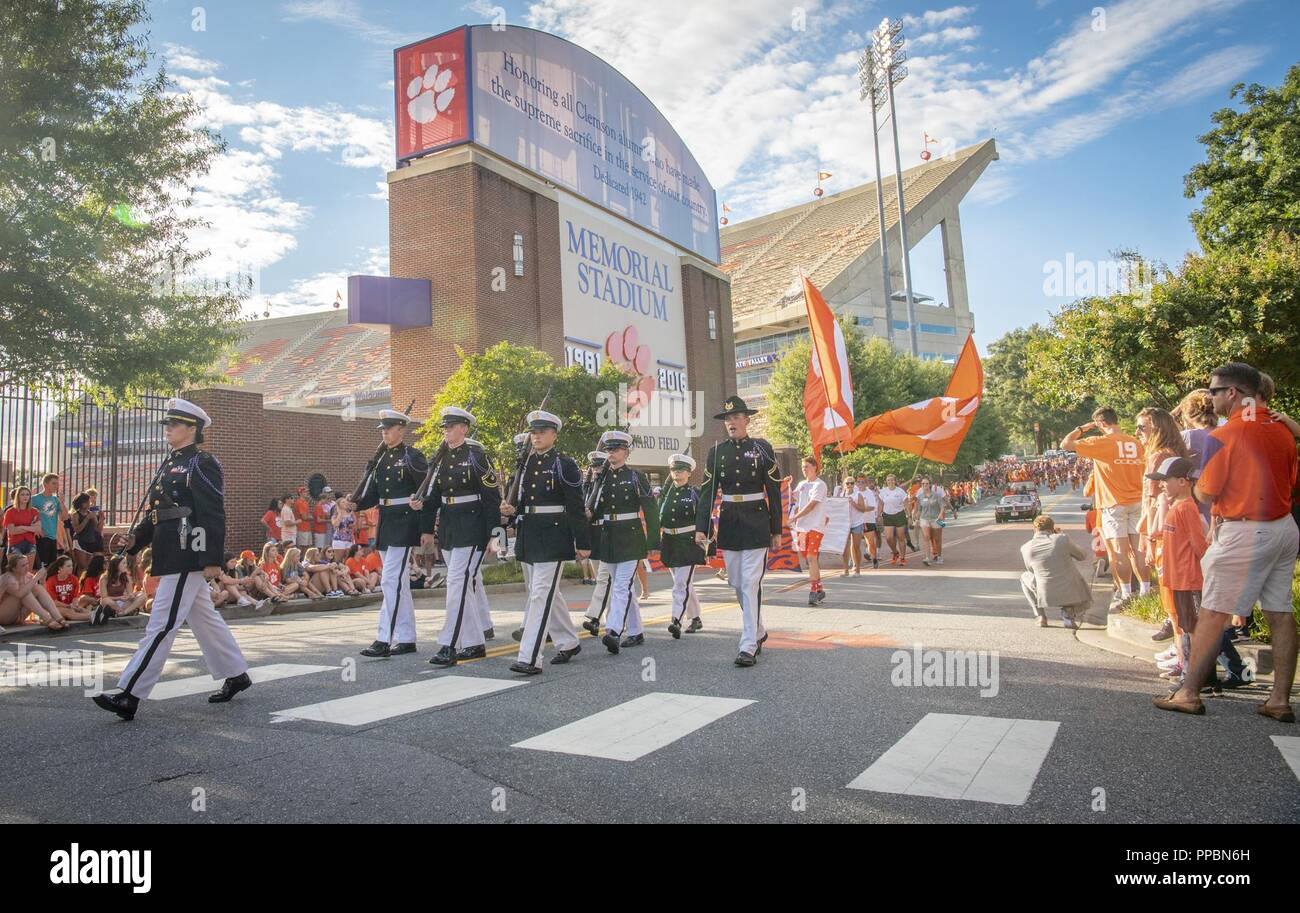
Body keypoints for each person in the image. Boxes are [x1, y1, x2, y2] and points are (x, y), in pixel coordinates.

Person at [92, 398, 251, 721]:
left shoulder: (202, 463)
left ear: (192, 429)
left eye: (174, 424)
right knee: (204, 617)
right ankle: (235, 673)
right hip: (169, 548)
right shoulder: (170, 463)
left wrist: (211, 559)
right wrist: (135, 540)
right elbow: (157, 514)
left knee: (161, 624)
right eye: (167, 423)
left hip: (188, 551)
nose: (168, 429)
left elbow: (212, 514)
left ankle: (130, 693)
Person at [1156, 363, 1299, 721]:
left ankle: (1188, 692)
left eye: (1215, 391)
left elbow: (1206, 492)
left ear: (1232, 393)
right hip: (1283, 527)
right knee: (1280, 612)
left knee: (1212, 613)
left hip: (1244, 531)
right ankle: (1279, 700)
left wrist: (1198, 480)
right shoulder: (1282, 429)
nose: (1211, 397)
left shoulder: (1227, 435)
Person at [337, 408, 434, 658]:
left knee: (390, 579)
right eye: (383, 430)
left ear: (401, 430)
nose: (385, 433)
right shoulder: (381, 459)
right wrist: (355, 503)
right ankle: (407, 637)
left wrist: (425, 528)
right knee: (398, 583)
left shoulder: (413, 456)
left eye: (389, 429)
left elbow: (426, 494)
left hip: (405, 522)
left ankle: (384, 637)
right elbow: (374, 495)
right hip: (386, 522)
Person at [500, 409, 590, 674]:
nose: (536, 436)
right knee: (547, 593)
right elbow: (521, 502)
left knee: (540, 594)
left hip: (553, 535)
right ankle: (569, 641)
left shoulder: (565, 464)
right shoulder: (525, 464)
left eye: (542, 432)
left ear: (554, 435)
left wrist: (582, 542)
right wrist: (511, 510)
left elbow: (575, 506)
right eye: (533, 432)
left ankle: (529, 657)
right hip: (530, 533)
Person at [695, 396, 782, 667]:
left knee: (750, 581)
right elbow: (708, 492)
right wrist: (702, 528)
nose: (731, 422)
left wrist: (776, 528)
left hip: (757, 520)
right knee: (736, 582)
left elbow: (774, 490)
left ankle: (748, 645)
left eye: (736, 417)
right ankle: (758, 629)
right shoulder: (717, 452)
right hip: (730, 520)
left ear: (747, 420)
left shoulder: (762, 448)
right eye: (727, 419)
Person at [414, 406, 500, 667]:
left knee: (456, 585)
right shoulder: (439, 459)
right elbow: (432, 497)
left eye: (451, 426)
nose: (447, 431)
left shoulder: (476, 457)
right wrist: (427, 530)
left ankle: (449, 644)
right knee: (462, 587)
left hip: (472, 528)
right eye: (445, 427)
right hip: (450, 529)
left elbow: (491, 498)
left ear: (464, 428)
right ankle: (473, 643)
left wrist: (495, 536)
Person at [1062, 408, 1151, 609]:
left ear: (1101, 424)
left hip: (1114, 503)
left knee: (1119, 551)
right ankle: (1145, 591)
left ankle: (1126, 594)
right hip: (1138, 501)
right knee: (1139, 550)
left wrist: (1083, 428)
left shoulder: (1101, 442)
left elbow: (1066, 444)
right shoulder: (1136, 442)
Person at [589, 430, 658, 654]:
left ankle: (613, 631)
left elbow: (650, 510)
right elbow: (596, 510)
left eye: (616, 450)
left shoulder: (636, 477)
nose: (612, 454)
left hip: (630, 536)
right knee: (623, 588)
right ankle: (636, 631)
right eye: (609, 450)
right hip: (609, 536)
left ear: (627, 452)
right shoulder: (602, 477)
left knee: (620, 586)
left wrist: (653, 542)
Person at [660, 454, 705, 638]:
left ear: (688, 473)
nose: (676, 473)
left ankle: (676, 620)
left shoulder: (695, 493)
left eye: (680, 470)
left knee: (680, 583)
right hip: (670, 542)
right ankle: (695, 618)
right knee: (684, 583)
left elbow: (704, 519)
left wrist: (704, 540)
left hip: (688, 543)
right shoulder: (666, 493)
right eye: (673, 470)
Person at [1019, 515, 1092, 628]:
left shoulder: (1025, 547)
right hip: (1071, 593)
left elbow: (1031, 570)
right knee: (1072, 575)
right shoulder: (1062, 539)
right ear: (1052, 528)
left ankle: (1040, 616)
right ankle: (1068, 614)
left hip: (1045, 593)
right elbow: (1082, 556)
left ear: (1035, 529)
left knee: (1024, 577)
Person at [790, 456, 828, 606]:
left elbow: (812, 505)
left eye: (806, 466)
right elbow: (792, 498)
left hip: (815, 525)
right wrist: (785, 485)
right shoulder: (801, 484)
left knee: (812, 557)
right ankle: (819, 588)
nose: (803, 469)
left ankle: (813, 590)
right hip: (801, 527)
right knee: (807, 559)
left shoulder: (820, 485)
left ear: (814, 467)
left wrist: (795, 517)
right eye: (802, 467)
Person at [0, 553, 68, 630]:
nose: (26, 567)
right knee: (25, 592)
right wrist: (36, 577)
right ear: (14, 569)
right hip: (3, 617)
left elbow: (41, 594)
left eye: (27, 564)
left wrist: (42, 581)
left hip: (17, 616)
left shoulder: (27, 575)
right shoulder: (8, 578)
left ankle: (58, 617)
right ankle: (47, 619)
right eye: (23, 566)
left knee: (37, 588)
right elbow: (20, 594)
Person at [30, 473, 69, 571]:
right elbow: (27, 516)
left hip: (53, 536)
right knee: (41, 567)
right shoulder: (35, 499)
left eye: (57, 484)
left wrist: (61, 502)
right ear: (45, 484)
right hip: (41, 537)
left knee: (52, 567)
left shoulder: (56, 500)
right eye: (54, 483)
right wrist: (36, 529)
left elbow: (65, 517)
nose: (56, 486)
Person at [44, 555, 93, 622]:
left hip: (69, 606)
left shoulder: (74, 579)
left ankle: (98, 614)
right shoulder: (51, 581)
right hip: (54, 608)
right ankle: (92, 616)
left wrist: (74, 605)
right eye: (68, 566)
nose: (71, 568)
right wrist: (68, 606)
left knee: (79, 608)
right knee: (68, 611)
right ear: (60, 568)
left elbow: (75, 597)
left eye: (72, 565)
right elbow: (53, 602)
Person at [68, 490, 105, 575]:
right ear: (81, 503)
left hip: (91, 541)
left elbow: (97, 530)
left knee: (89, 567)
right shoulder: (75, 515)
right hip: (80, 541)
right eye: (87, 502)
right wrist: (87, 518)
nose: (89, 503)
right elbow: (77, 530)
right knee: (82, 566)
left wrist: (101, 519)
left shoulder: (91, 514)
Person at [915, 477, 948, 566]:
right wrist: (917, 518)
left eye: (926, 483)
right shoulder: (920, 496)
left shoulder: (936, 495)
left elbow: (942, 506)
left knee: (937, 539)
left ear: (930, 485)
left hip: (935, 519)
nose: (924, 485)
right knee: (926, 537)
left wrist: (941, 514)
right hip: (924, 519)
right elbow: (919, 509)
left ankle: (939, 556)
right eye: (922, 484)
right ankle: (927, 558)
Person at [2, 486, 40, 562]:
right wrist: (30, 528)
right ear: (17, 496)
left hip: (30, 543)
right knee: (15, 572)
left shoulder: (34, 511)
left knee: (28, 572)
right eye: (22, 494)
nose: (25, 497)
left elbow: (38, 529)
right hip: (14, 544)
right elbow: (12, 531)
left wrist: (21, 527)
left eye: (27, 494)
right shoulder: (10, 512)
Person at [877, 474, 909, 565]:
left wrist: (909, 516)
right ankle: (895, 552)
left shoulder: (900, 491)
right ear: (886, 482)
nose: (890, 482)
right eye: (888, 480)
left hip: (899, 515)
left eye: (892, 480)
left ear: (895, 481)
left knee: (901, 537)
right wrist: (878, 515)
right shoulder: (883, 491)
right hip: (887, 516)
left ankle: (902, 558)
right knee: (888, 538)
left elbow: (906, 503)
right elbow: (881, 504)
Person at [842, 475, 867, 576]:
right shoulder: (842, 494)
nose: (850, 485)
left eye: (852, 483)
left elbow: (863, 509)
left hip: (857, 523)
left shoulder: (858, 495)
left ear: (854, 484)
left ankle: (857, 569)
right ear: (844, 485)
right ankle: (845, 570)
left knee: (856, 546)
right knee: (844, 547)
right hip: (845, 523)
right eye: (847, 483)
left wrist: (853, 504)